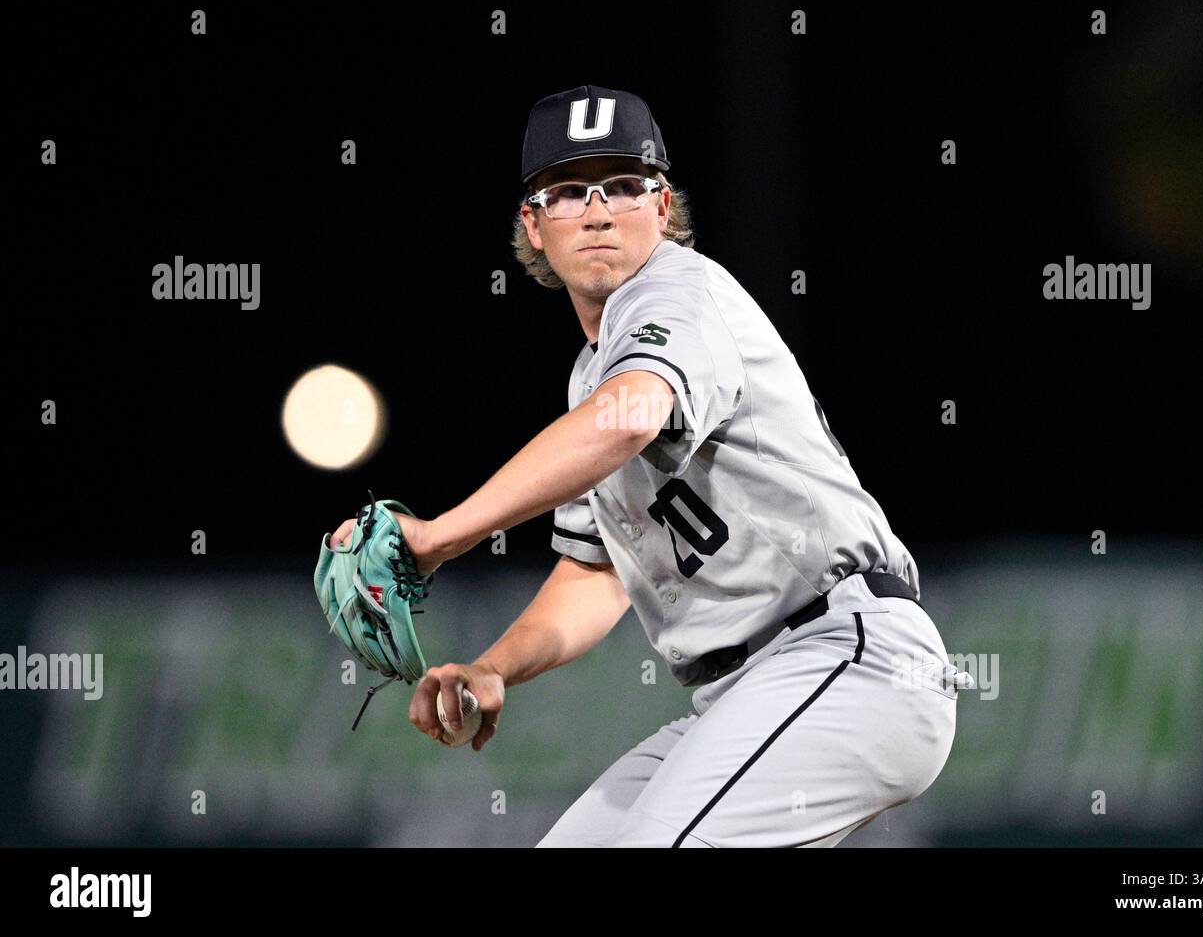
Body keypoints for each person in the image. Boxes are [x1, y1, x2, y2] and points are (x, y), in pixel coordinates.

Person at [329, 85, 966, 847]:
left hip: (848, 659)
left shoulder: (680, 293)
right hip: (748, 694)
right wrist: (495, 666)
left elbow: (628, 419)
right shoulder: (589, 374)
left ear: (663, 208)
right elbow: (594, 575)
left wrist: (443, 535)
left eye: (625, 185)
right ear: (534, 225)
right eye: (568, 191)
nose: (599, 210)